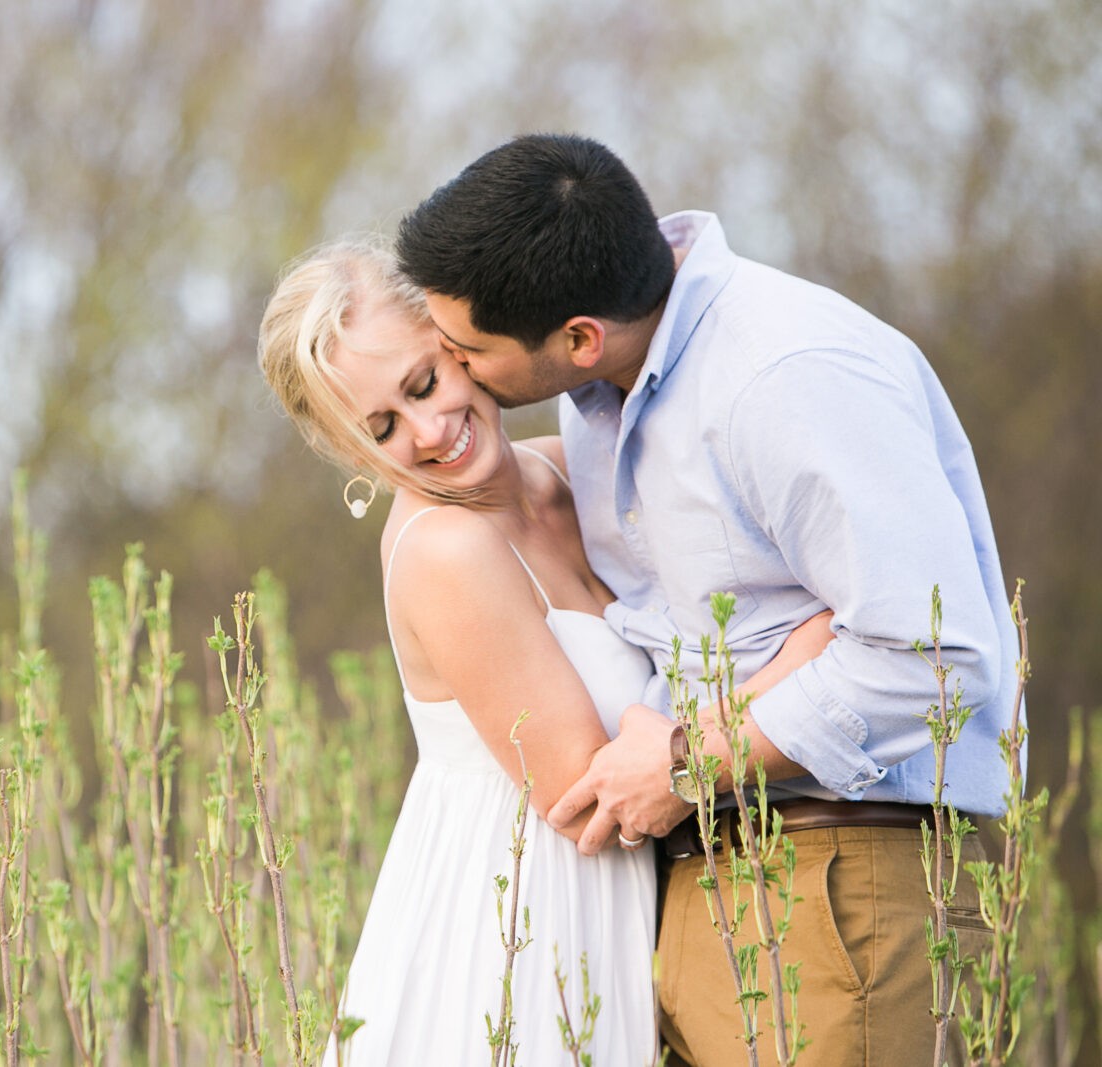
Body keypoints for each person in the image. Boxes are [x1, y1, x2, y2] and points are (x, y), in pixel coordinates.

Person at [395, 132, 1018, 1066]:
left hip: (843, 884)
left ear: (575, 337)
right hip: (700, 892)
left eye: (468, 351)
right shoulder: (604, 398)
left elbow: (935, 657)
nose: (458, 370)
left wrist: (690, 755)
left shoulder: (785, 375)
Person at [257, 235, 834, 1064]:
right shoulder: (442, 551)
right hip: (520, 938)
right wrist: (813, 651)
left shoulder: (573, 470)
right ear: (354, 454)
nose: (430, 430)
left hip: (642, 921)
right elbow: (591, 795)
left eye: (427, 381)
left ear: (459, 342)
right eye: (383, 427)